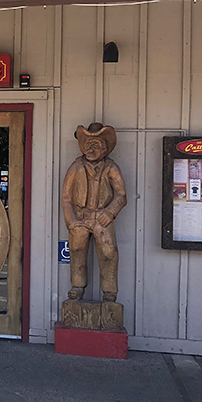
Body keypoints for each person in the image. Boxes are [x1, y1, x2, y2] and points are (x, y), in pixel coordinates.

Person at [61, 123, 127, 303]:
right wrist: (71, 221)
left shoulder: (111, 168)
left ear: (105, 148)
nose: (91, 149)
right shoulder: (76, 167)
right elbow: (66, 198)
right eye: (88, 144)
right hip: (80, 217)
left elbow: (121, 195)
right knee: (76, 250)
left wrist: (110, 212)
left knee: (108, 252)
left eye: (96, 145)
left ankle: (109, 290)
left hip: (102, 218)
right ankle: (77, 286)